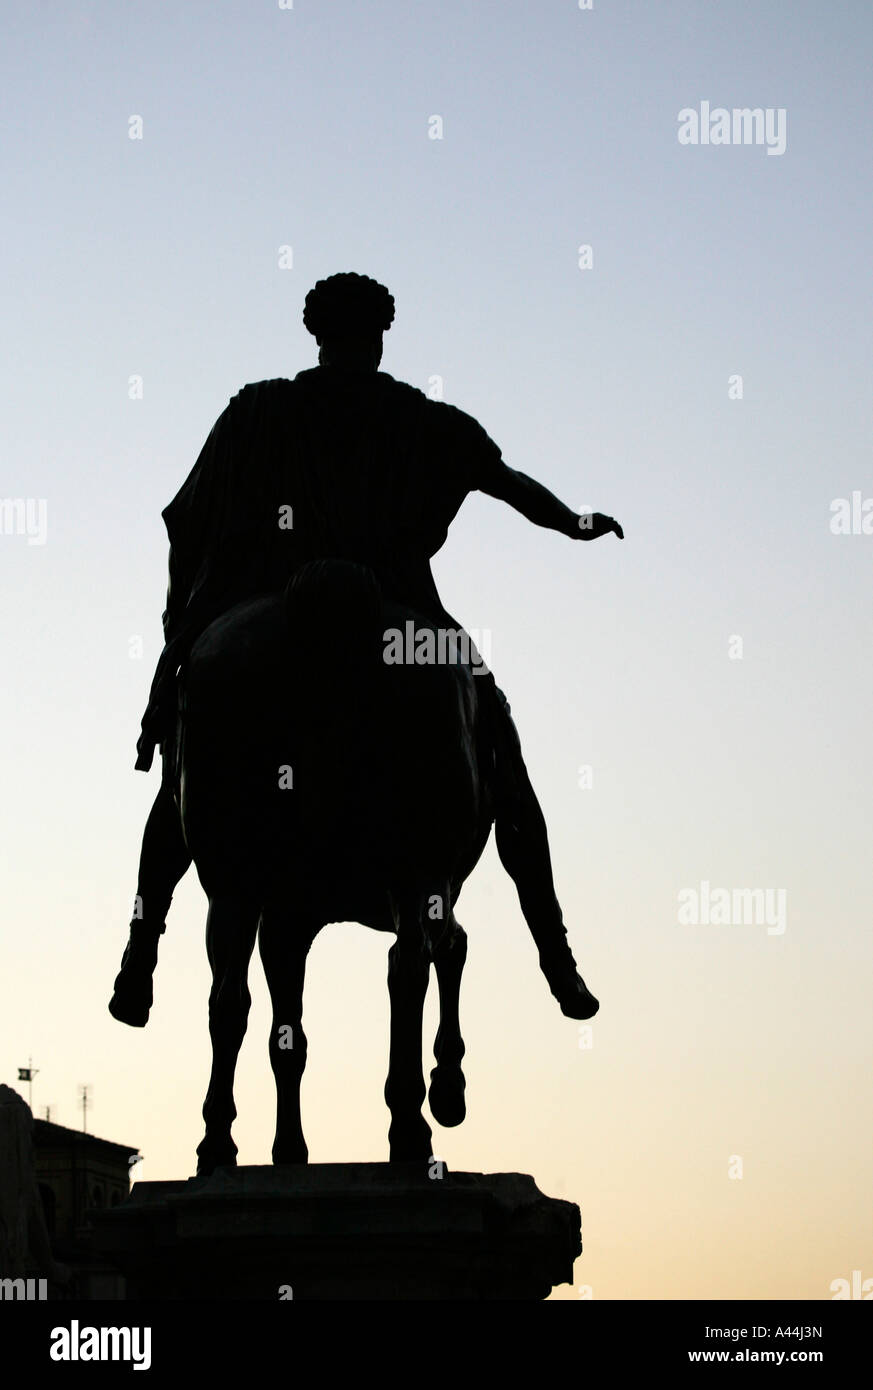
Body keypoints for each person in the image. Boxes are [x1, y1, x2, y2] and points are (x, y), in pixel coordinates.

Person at [109, 273, 623, 1028]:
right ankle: (556, 958)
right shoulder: (420, 418)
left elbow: (185, 520)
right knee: (499, 752)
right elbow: (512, 489)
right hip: (402, 618)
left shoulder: (259, 408)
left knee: (187, 777)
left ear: (315, 333)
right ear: (380, 336)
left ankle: (141, 945)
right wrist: (575, 523)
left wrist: (180, 635)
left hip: (262, 598)